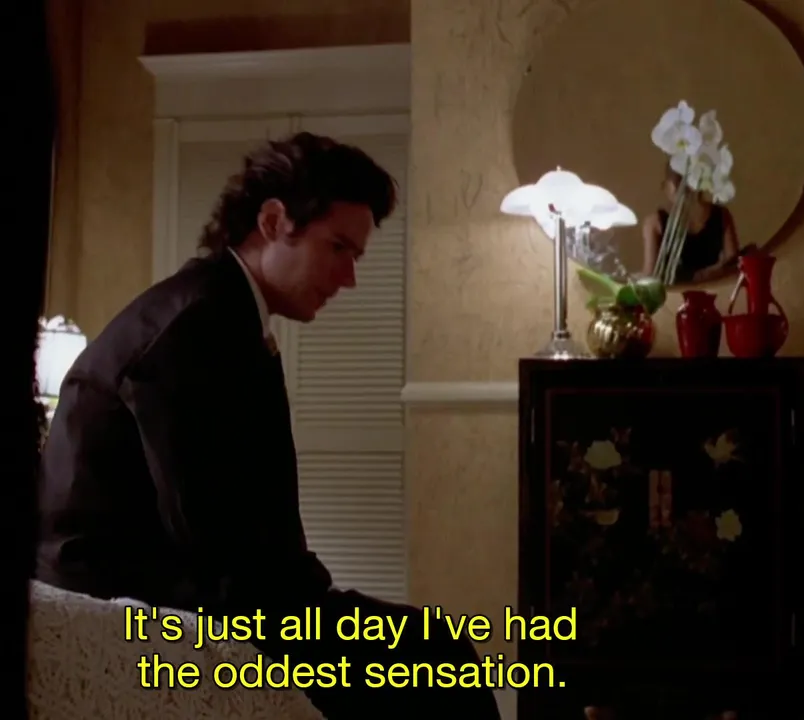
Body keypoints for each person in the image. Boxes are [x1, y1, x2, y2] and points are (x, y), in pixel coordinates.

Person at [36, 131, 501, 719]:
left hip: (197, 580)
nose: (349, 278)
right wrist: (313, 605)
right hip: (131, 593)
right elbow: (210, 532)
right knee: (436, 659)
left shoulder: (225, 313)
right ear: (274, 220)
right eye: (338, 248)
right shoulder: (194, 325)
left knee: (430, 649)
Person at [640, 164, 739, 284]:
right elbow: (733, 264)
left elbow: (734, 264)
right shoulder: (655, 223)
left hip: (698, 289)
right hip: (701, 288)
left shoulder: (653, 223)